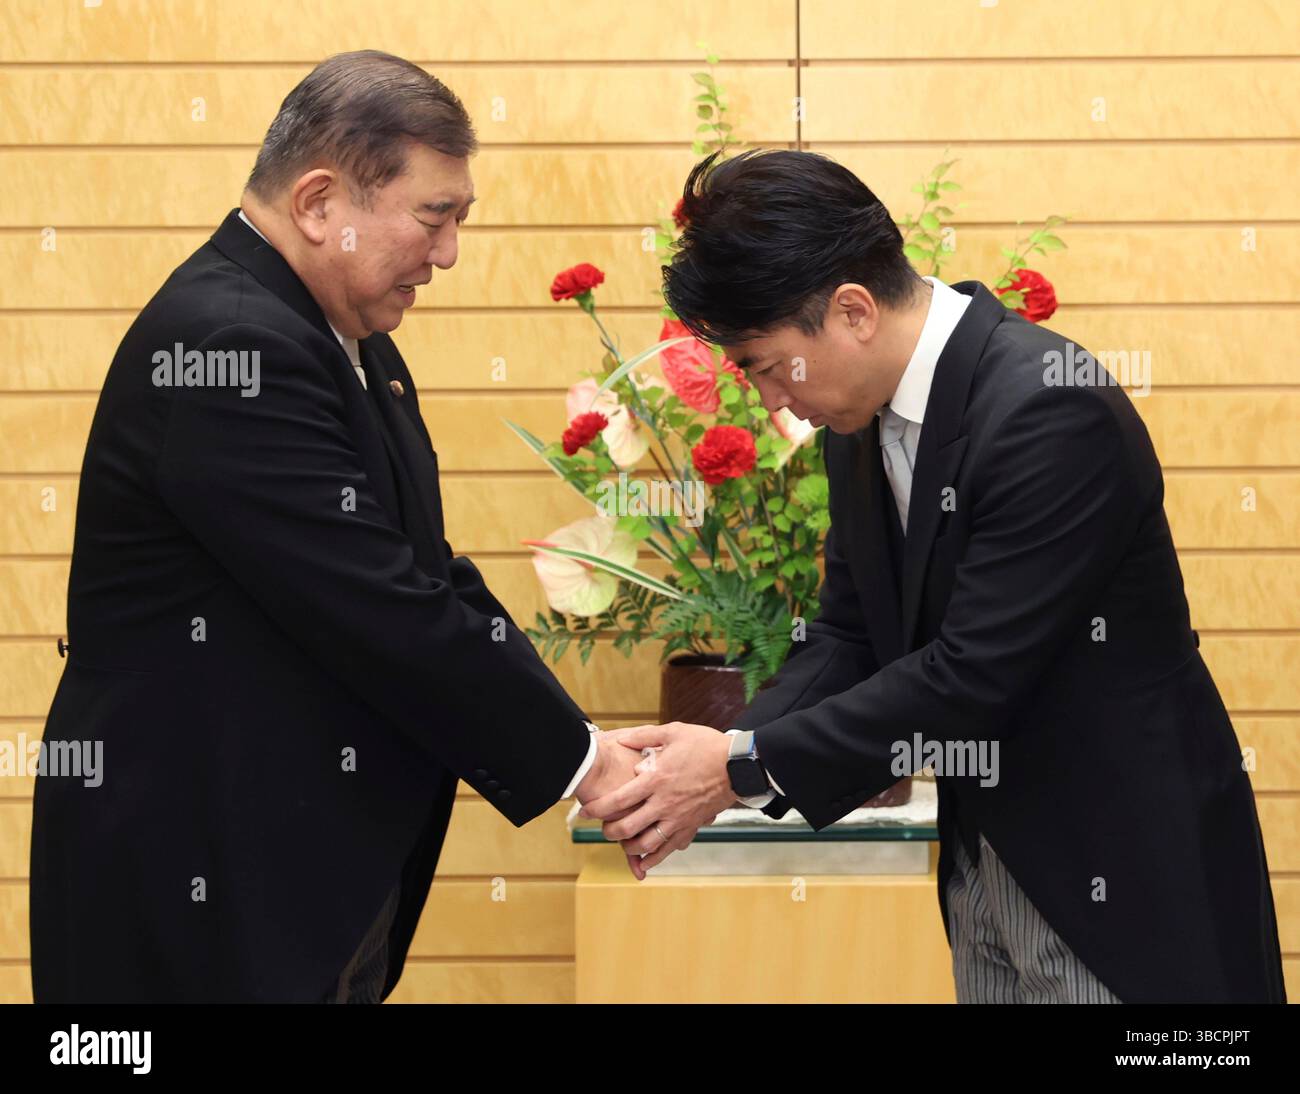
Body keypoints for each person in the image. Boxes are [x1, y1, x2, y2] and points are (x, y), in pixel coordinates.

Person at [581, 149, 1287, 1004]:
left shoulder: (1047, 409)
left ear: (853, 310)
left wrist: (739, 767)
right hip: (984, 869)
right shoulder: (859, 427)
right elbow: (849, 635)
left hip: (1119, 880)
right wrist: (726, 751)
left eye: (766, 365)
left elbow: (972, 675)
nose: (770, 401)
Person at [30, 50, 641, 1003]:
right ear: (318, 203)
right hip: (199, 881)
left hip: (291, 875)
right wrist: (587, 766)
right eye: (434, 217)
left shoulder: (346, 339)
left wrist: (582, 742)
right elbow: (382, 609)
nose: (449, 254)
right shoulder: (231, 346)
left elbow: (425, 575)